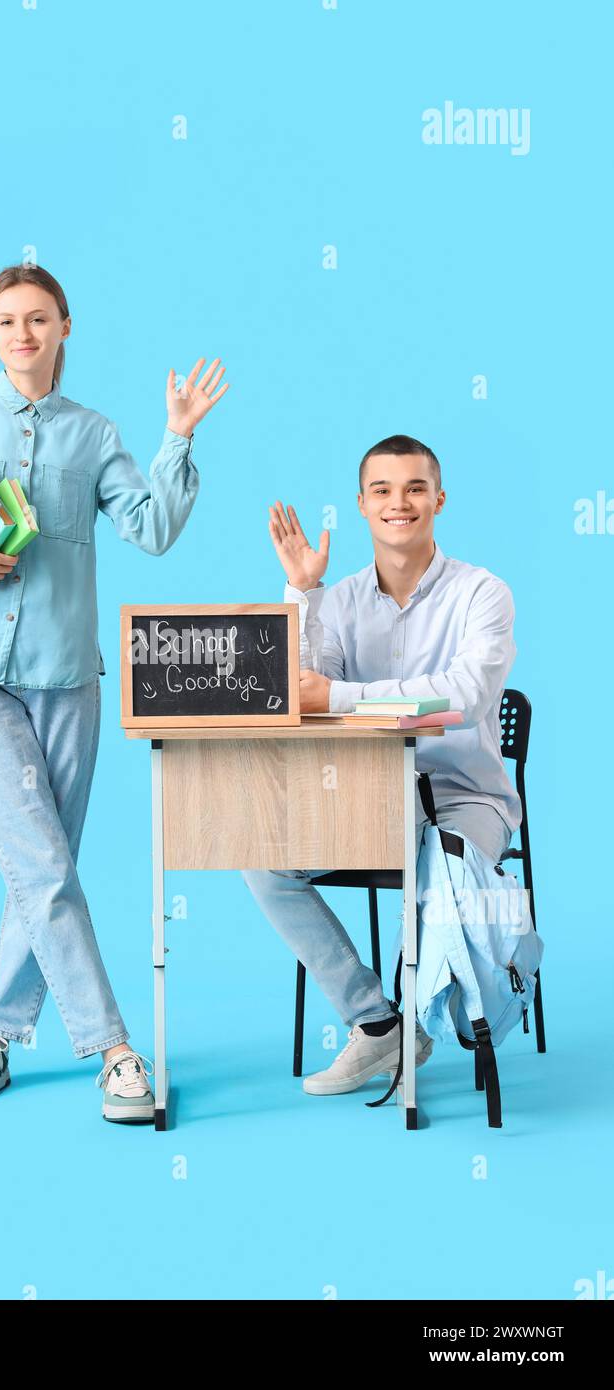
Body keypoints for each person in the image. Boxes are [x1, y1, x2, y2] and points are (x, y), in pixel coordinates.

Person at [0, 262, 229, 1121]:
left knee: (43, 869)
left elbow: (154, 530)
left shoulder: (95, 434)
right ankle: (114, 1049)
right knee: (41, 866)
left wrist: (177, 436)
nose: (22, 333)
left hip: (70, 679)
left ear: (66, 326)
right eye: (5, 320)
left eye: (38, 318)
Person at [242, 434, 520, 1096]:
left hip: (463, 798)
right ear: (363, 505)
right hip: (369, 796)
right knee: (264, 856)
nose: (401, 503)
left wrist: (342, 698)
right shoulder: (336, 602)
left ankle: (429, 1015)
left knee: (439, 859)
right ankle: (379, 1023)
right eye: (384, 491)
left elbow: (465, 696)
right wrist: (302, 592)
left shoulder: (483, 593)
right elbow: (305, 693)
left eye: (416, 488)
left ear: (439, 500)